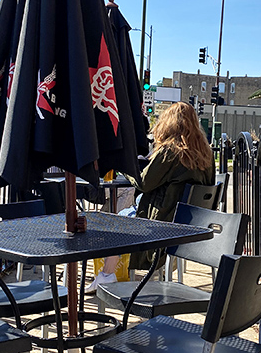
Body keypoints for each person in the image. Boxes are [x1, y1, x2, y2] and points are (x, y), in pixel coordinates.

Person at [86, 101, 215, 291]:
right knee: (123, 213)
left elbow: (144, 183)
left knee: (114, 220)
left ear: (169, 123)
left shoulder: (171, 151)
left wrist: (128, 167)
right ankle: (107, 275)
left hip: (160, 223)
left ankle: (106, 275)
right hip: (189, 223)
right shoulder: (207, 154)